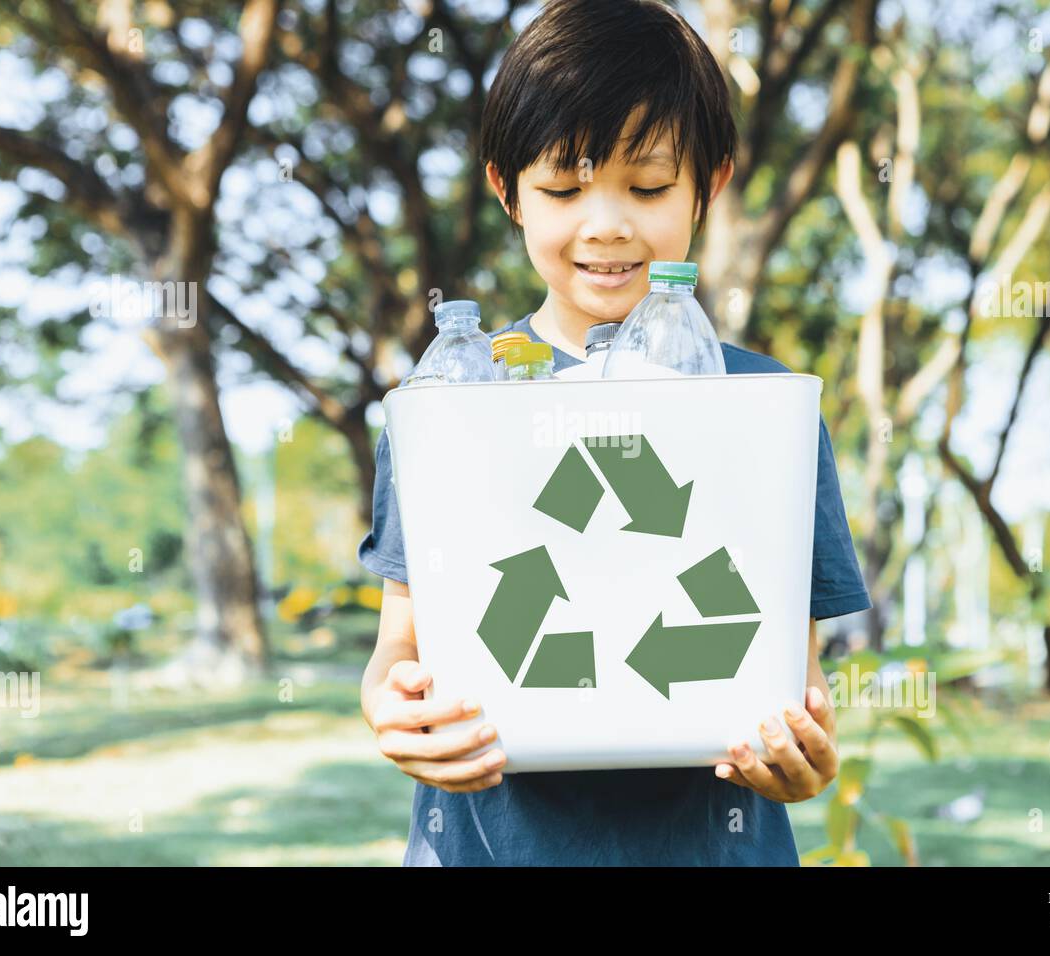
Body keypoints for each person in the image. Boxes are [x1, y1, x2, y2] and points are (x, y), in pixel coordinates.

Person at [358, 0, 872, 866]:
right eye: (563, 188)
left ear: (709, 185)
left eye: (648, 185)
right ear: (507, 191)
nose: (606, 224)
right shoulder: (452, 399)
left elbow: (790, 671)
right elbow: (400, 650)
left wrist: (802, 758)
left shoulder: (762, 407)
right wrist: (392, 713)